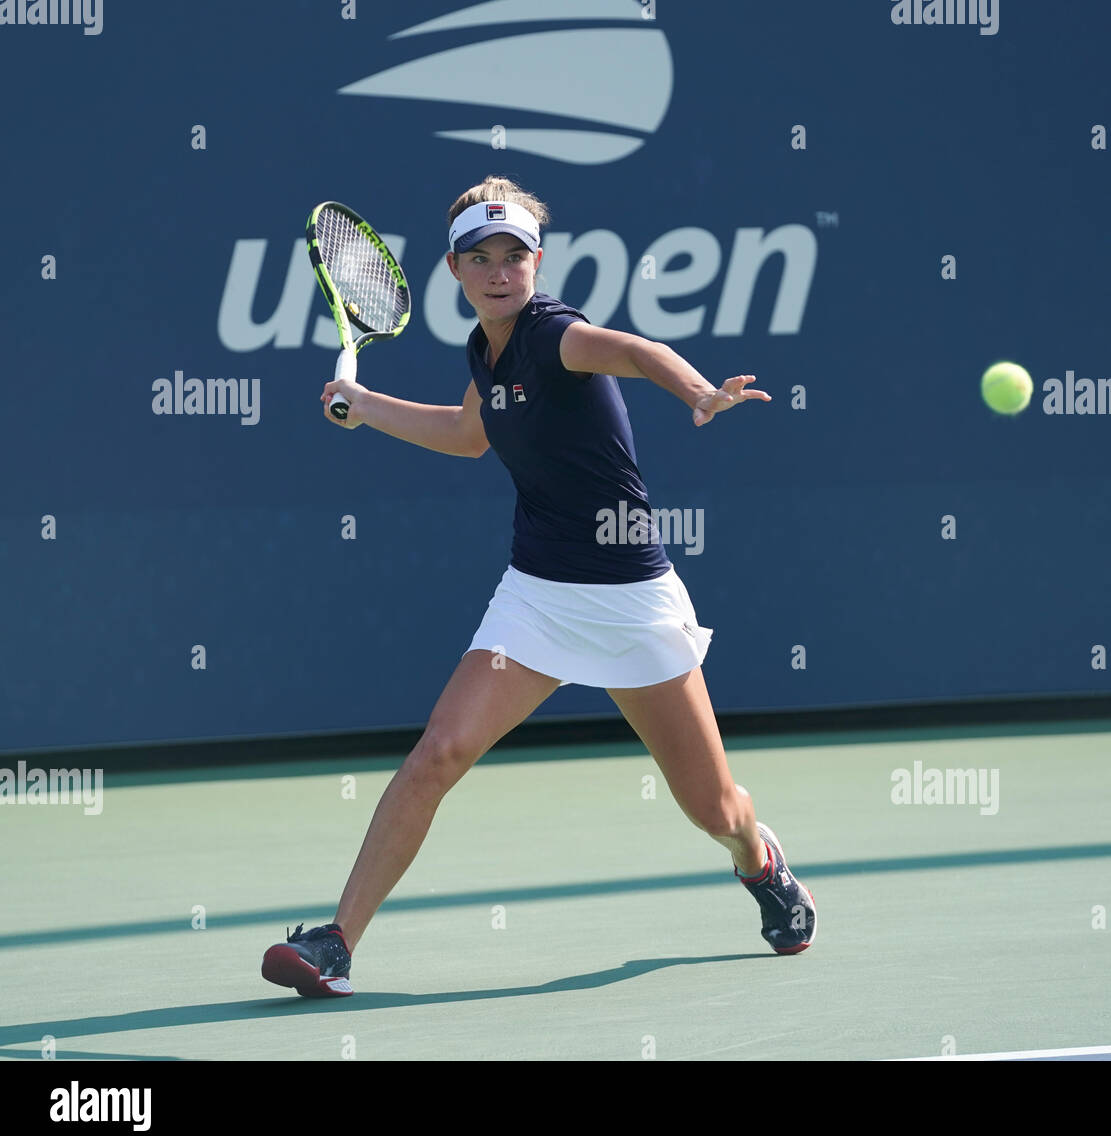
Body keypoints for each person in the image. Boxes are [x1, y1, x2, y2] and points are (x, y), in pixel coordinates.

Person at [261, 177, 816, 998]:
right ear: (454, 268)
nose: (497, 271)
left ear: (537, 261)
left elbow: (632, 351)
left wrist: (698, 391)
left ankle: (758, 859)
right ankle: (336, 943)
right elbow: (466, 435)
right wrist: (366, 404)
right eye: (479, 257)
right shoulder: (484, 352)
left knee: (713, 809)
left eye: (513, 255)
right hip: (537, 595)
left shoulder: (557, 333)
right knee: (437, 753)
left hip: (632, 601)